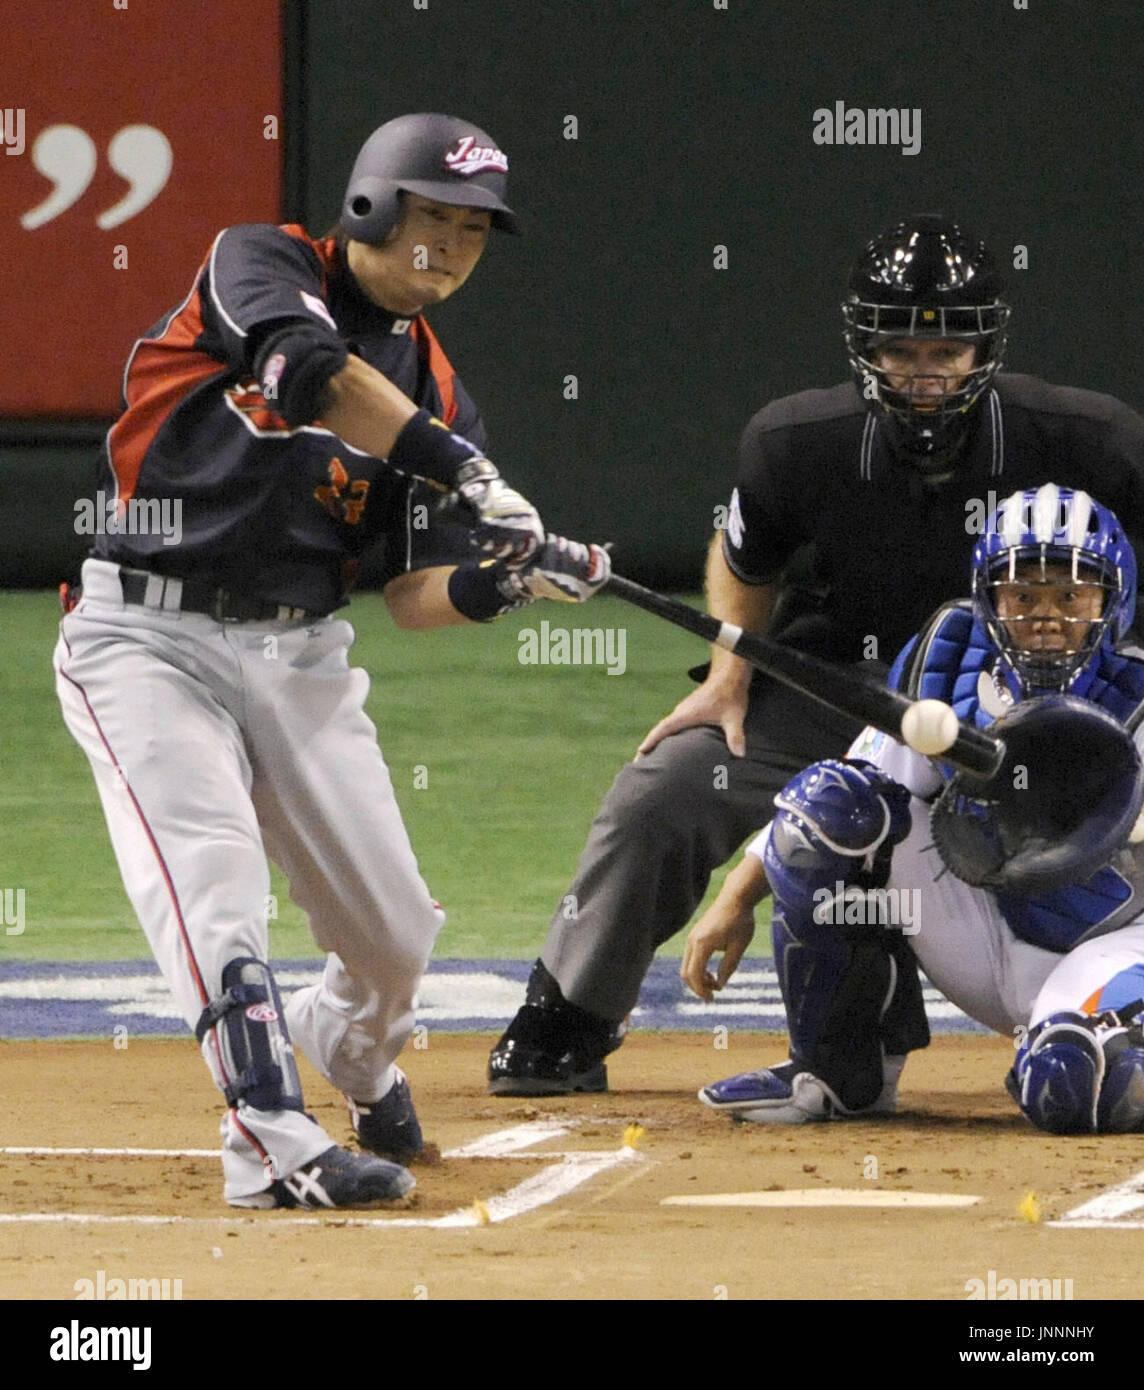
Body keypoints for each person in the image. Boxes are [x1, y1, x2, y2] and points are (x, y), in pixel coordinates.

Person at [54, 112, 610, 1210]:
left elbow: (410, 597)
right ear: (369, 207)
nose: (447, 248)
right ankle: (264, 1139)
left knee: (395, 935)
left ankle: (347, 1051)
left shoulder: (441, 393)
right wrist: (468, 472)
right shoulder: (256, 261)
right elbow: (311, 374)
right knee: (214, 887)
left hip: (300, 651)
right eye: (430, 219)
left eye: (472, 231)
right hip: (143, 637)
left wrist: (509, 580)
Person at [487, 213, 1144, 1097]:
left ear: (986, 349)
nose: (925, 374)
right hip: (830, 685)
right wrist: (729, 677)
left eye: (947, 352)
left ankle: (1082, 1002)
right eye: (902, 351)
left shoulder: (1090, 440)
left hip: (1039, 698)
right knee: (670, 785)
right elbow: (742, 557)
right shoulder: (794, 443)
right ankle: (570, 1011)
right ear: (863, 349)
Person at [696, 485, 1144, 1134]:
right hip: (974, 923)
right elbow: (853, 783)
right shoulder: (949, 664)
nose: (1046, 615)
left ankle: (1080, 1041)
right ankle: (840, 1071)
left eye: (1070, 595)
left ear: (1111, 599)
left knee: (1072, 1090)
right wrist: (734, 900)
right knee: (830, 810)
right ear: (990, 599)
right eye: (1023, 595)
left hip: (1109, 942)